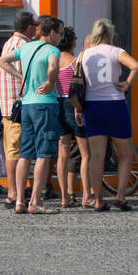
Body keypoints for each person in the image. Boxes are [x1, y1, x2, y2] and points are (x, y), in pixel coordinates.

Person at [0, 15, 63, 214]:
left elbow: (2, 61)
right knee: (44, 154)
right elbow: (53, 66)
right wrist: (51, 82)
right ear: (52, 33)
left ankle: (19, 201)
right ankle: (35, 202)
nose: (61, 38)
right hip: (45, 105)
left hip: (26, 105)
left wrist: (20, 77)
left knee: (25, 154)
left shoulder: (26, 47)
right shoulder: (53, 50)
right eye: (60, 34)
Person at [77, 18, 138, 211]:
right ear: (110, 34)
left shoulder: (84, 54)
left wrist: (78, 108)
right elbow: (136, 66)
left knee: (96, 157)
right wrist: (127, 82)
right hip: (115, 105)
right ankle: (120, 195)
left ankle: (98, 200)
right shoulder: (116, 51)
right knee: (125, 153)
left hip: (92, 106)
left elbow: (76, 82)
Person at [0, 11, 37, 208]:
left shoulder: (8, 42)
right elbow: (25, 71)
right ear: (29, 27)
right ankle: (13, 192)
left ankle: (14, 189)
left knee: (10, 148)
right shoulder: (24, 45)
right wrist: (23, 78)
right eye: (35, 26)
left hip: (7, 105)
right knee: (15, 149)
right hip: (18, 105)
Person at [55, 26, 92, 209]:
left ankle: (64, 197)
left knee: (62, 154)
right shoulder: (76, 61)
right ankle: (86, 194)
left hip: (58, 105)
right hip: (73, 106)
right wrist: (79, 110)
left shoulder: (53, 60)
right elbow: (77, 88)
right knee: (86, 154)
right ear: (72, 42)